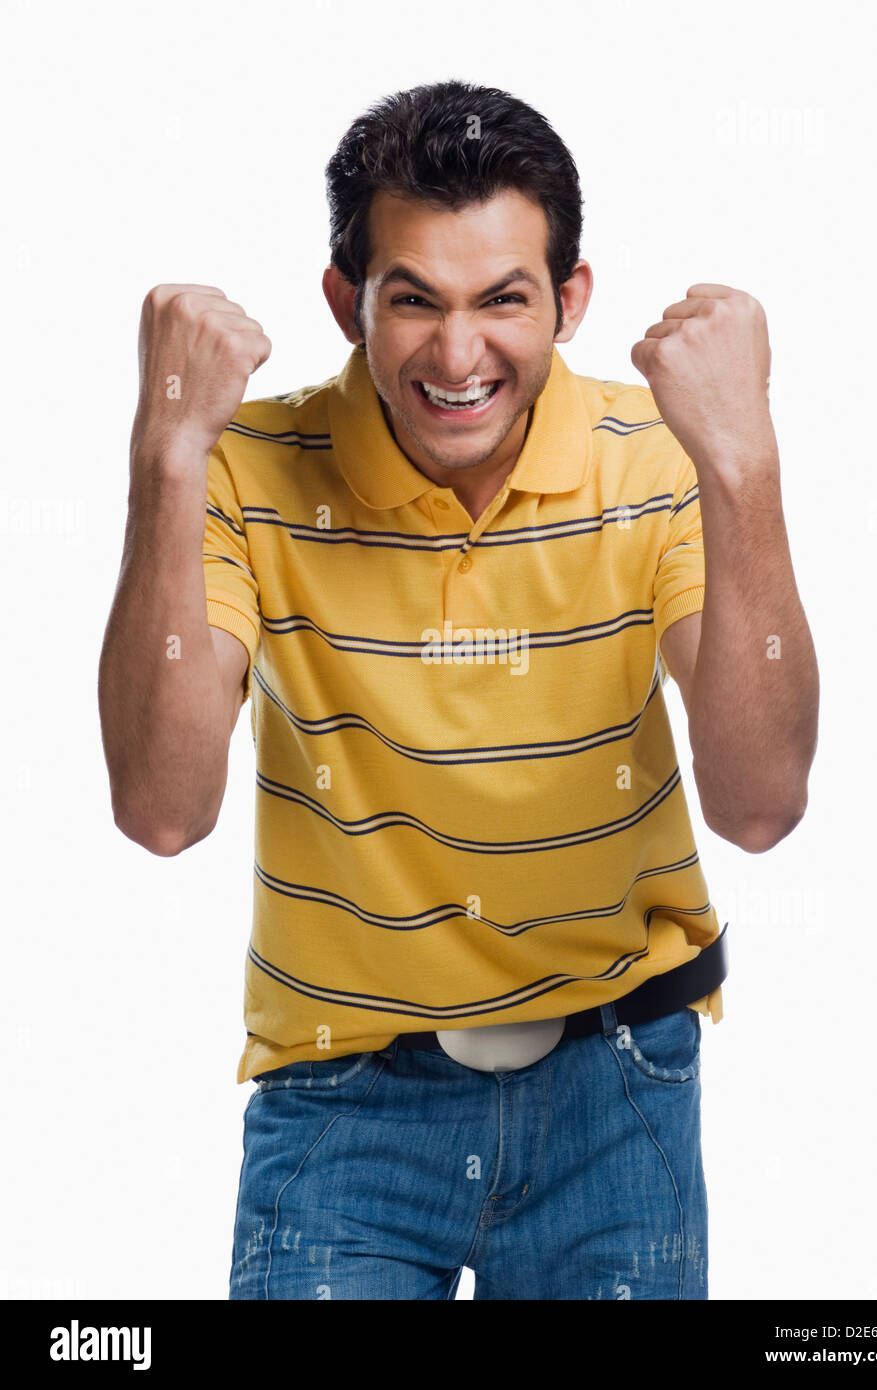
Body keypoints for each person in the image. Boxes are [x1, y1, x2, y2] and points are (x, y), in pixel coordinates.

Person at [98, 80, 819, 1300]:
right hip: (345, 1100)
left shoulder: (659, 461)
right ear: (346, 301)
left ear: (569, 299)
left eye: (503, 300)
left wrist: (739, 463)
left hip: (614, 1091)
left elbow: (758, 802)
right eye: (412, 299)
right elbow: (162, 810)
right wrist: (166, 455)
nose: (456, 353)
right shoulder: (243, 470)